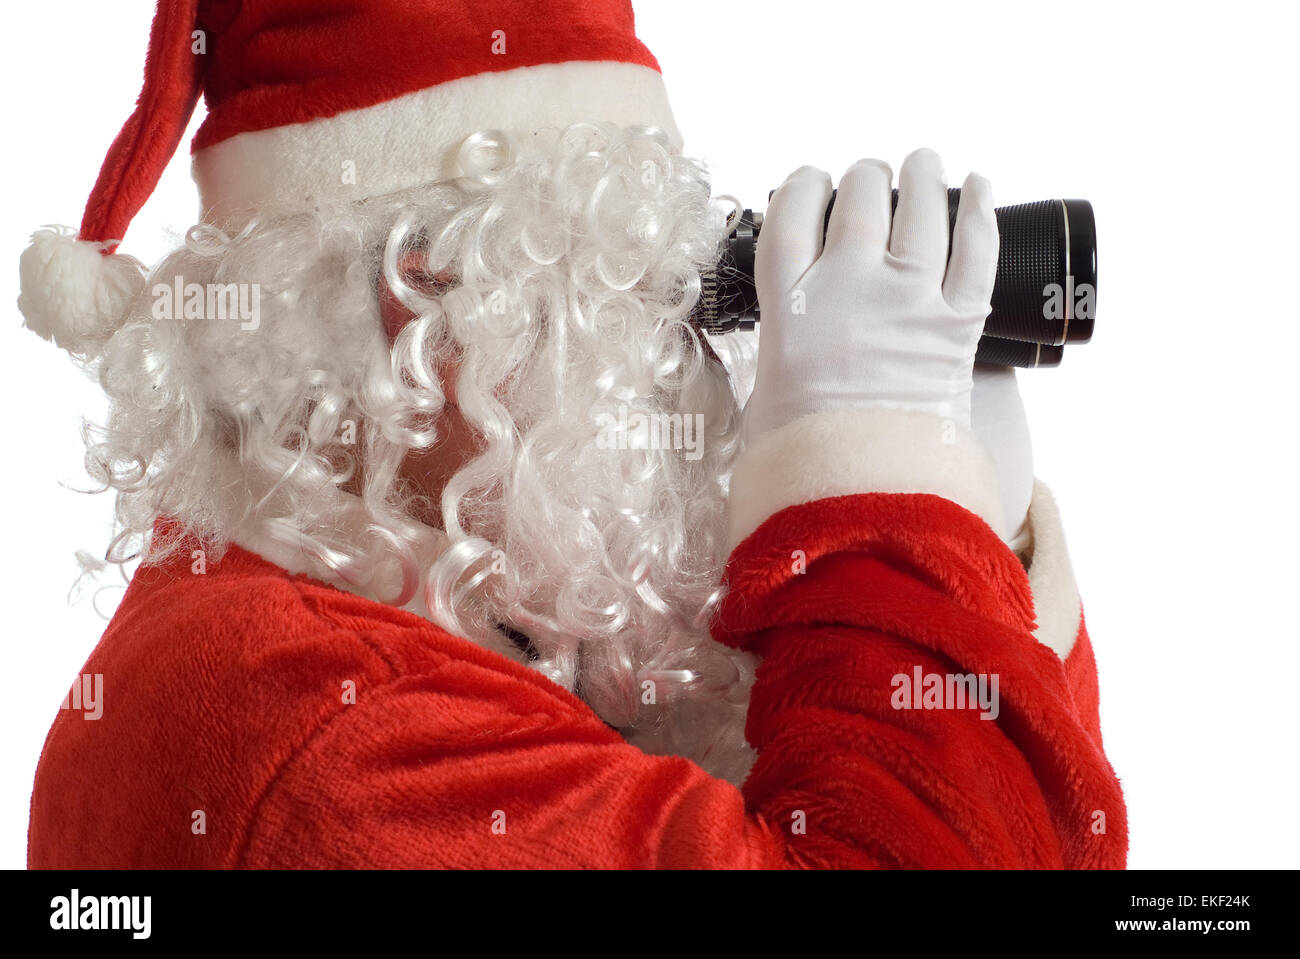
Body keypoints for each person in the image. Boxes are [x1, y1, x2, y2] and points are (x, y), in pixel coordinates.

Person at [20, 0, 1126, 868]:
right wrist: (879, 507)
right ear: (424, 300)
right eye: (631, 293)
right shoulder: (312, 720)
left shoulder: (404, 602)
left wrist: (971, 538)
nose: (673, 359)